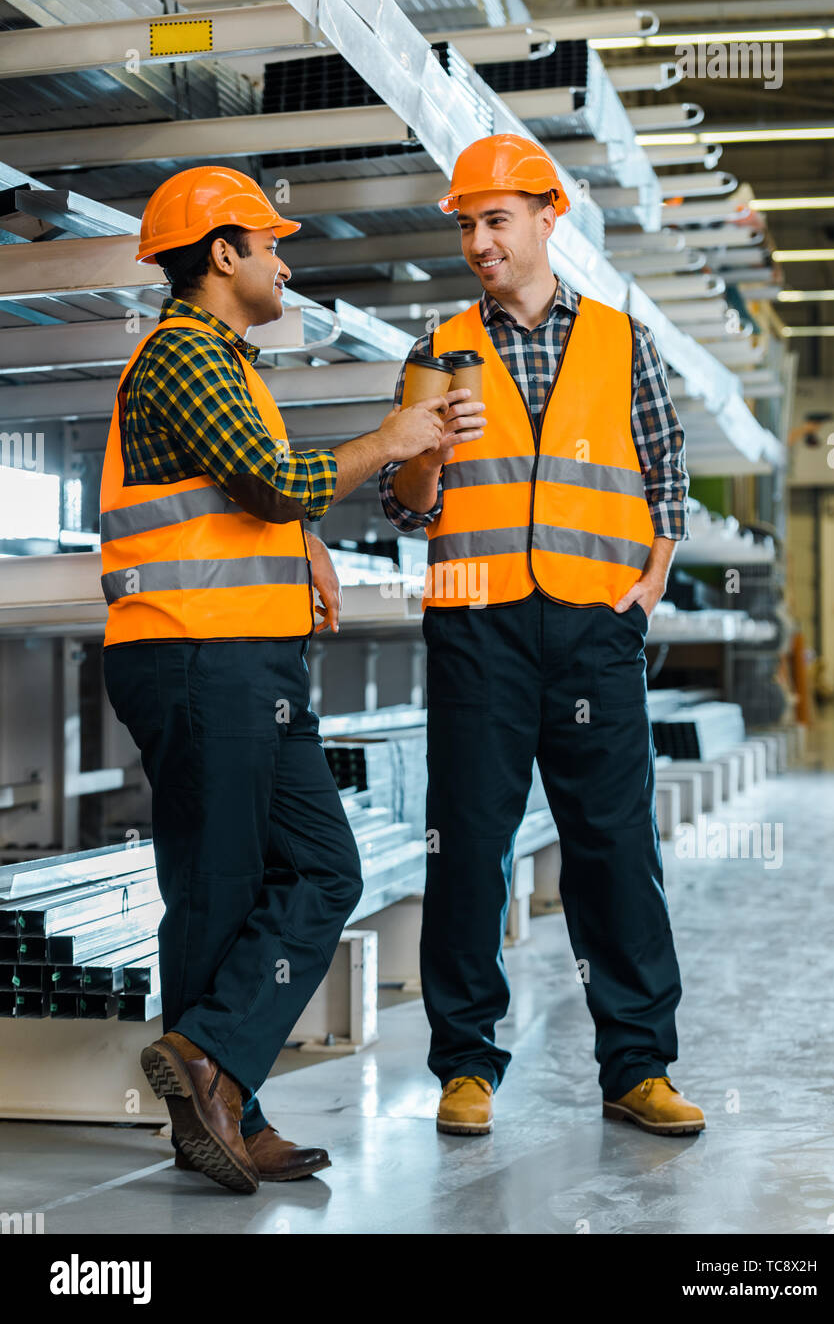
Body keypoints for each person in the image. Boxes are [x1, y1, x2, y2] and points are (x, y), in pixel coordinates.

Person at [100, 165, 445, 1192]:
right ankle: (219, 1105)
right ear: (222, 254)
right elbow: (275, 479)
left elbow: (262, 498)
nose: (285, 260)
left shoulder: (229, 363)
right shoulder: (181, 356)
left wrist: (304, 544)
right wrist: (390, 439)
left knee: (321, 868)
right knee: (214, 891)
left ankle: (212, 1064)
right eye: (271, 243)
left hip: (253, 655)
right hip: (197, 652)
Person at [379, 134, 704, 1138]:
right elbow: (407, 506)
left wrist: (647, 590)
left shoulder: (616, 338)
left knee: (614, 844)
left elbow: (666, 471)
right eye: (468, 226)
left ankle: (637, 1065)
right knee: (470, 844)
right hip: (478, 627)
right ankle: (466, 1065)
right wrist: (431, 448)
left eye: (496, 220)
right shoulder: (436, 351)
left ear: (546, 216)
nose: (479, 242)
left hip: (593, 627)